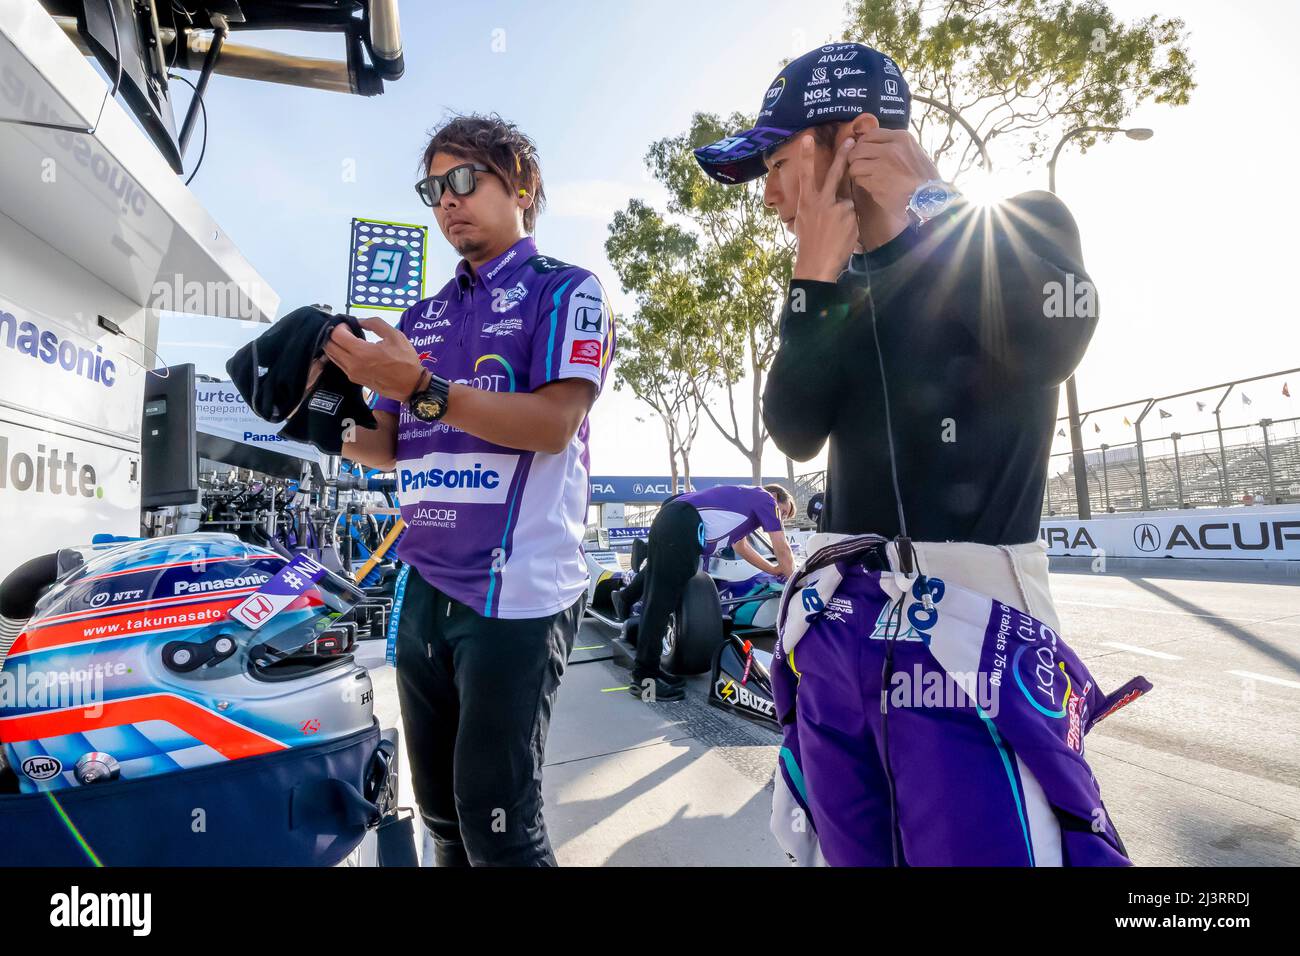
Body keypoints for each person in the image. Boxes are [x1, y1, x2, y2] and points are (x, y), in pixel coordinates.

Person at [693, 44, 1128, 866]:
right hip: (840, 619)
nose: (772, 196)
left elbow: (1056, 332)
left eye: (780, 162)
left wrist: (934, 199)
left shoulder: (1013, 222)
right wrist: (813, 283)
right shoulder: (831, 287)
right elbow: (793, 427)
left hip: (975, 626)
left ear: (856, 135)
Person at [324, 113, 614, 867]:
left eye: (464, 179)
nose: (447, 200)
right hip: (424, 589)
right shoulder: (419, 317)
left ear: (521, 182)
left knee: (499, 828)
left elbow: (553, 424)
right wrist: (311, 416)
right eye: (433, 187)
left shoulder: (567, 290)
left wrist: (422, 388)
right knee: (445, 819)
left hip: (516, 594)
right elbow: (383, 446)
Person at [617, 484, 796, 701]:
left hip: (676, 517)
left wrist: (774, 570)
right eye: (783, 512)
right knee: (661, 603)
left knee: (661, 587)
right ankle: (644, 679)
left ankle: (626, 602)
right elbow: (782, 548)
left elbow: (742, 548)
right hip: (682, 523)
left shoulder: (744, 508)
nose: (781, 519)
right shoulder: (765, 498)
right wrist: (795, 581)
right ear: (775, 496)